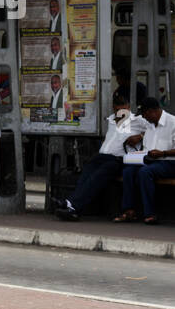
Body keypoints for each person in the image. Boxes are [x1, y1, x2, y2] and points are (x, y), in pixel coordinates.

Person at [53, 91, 132, 220]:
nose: (122, 113)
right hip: (102, 156)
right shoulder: (112, 119)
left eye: (124, 109)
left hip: (118, 159)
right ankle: (72, 206)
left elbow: (151, 129)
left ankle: (71, 204)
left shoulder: (137, 121)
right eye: (118, 110)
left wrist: (139, 136)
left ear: (128, 107)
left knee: (97, 176)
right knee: (86, 174)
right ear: (114, 108)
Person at [115, 96, 175, 224]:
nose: (143, 118)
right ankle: (128, 211)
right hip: (151, 160)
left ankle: (150, 213)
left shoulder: (173, 123)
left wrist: (163, 153)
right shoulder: (150, 125)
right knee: (128, 171)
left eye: (144, 115)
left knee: (145, 172)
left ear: (152, 112)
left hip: (169, 161)